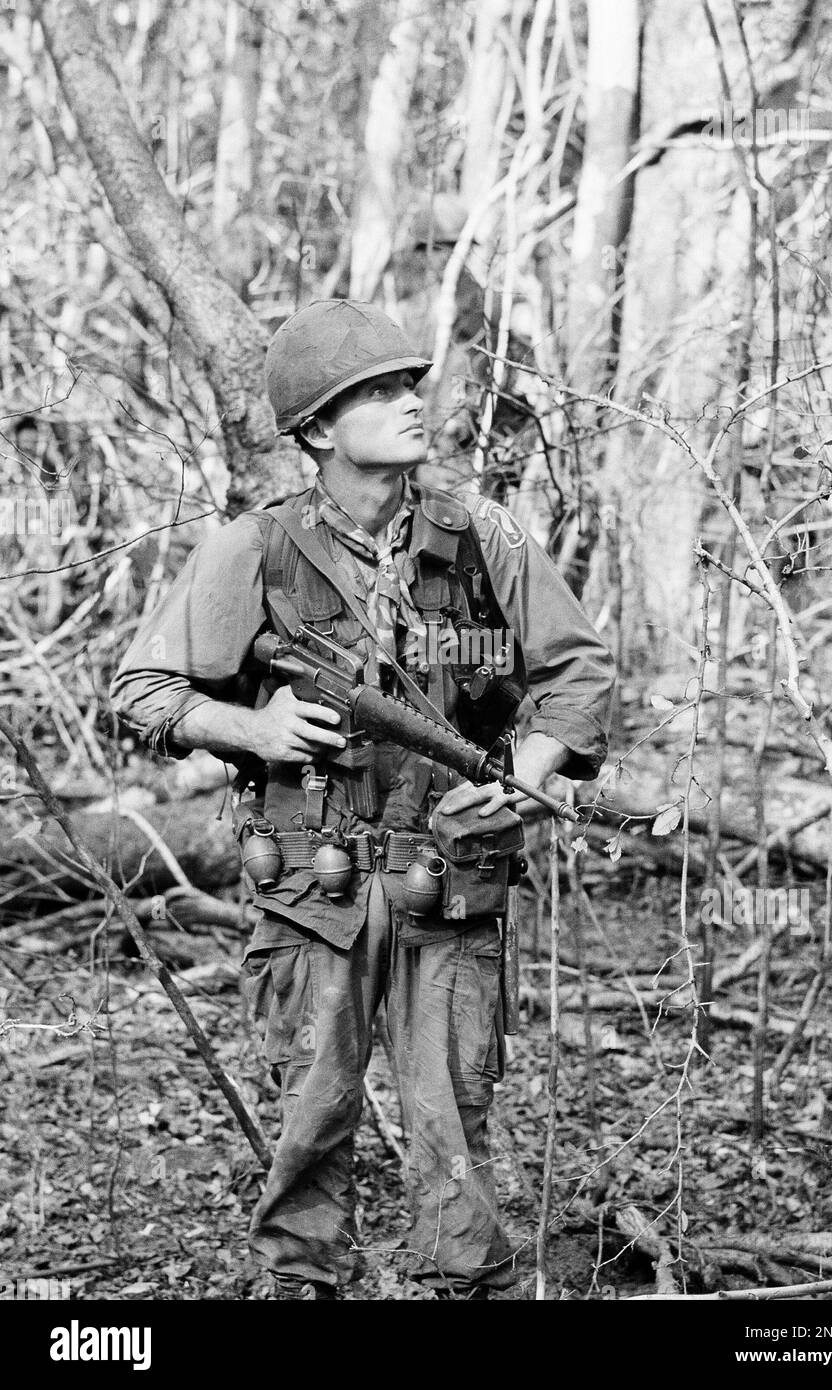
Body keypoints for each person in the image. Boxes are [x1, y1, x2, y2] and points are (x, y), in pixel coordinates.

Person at [110, 298, 615, 1300]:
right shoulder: (250, 551)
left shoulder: (482, 541)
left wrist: (527, 775)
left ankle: (464, 1285)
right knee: (311, 1113)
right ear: (316, 432)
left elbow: (579, 674)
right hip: (312, 887)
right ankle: (303, 1285)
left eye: (406, 384)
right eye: (375, 392)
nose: (407, 403)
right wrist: (251, 728)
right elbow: (143, 689)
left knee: (453, 1118)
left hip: (451, 881)